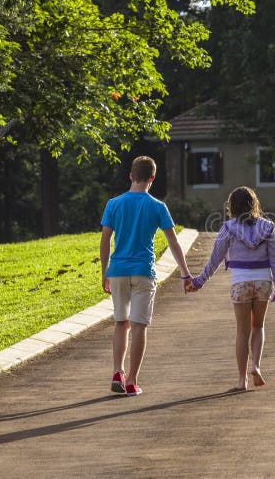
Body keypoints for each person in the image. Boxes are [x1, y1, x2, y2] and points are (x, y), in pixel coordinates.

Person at [100, 156, 193, 397]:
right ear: (152, 178)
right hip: (143, 272)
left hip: (118, 271)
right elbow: (173, 242)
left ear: (130, 176)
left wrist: (105, 272)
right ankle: (132, 380)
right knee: (139, 326)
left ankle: (117, 371)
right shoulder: (158, 207)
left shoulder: (113, 204)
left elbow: (105, 241)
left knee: (122, 323)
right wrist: (185, 273)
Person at [188, 186, 275, 392]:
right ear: (254, 204)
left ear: (231, 206)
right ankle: (256, 365)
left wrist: (199, 281)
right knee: (258, 326)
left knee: (242, 330)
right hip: (263, 282)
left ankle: (242, 381)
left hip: (240, 282)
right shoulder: (267, 227)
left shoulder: (228, 228)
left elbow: (215, 259)